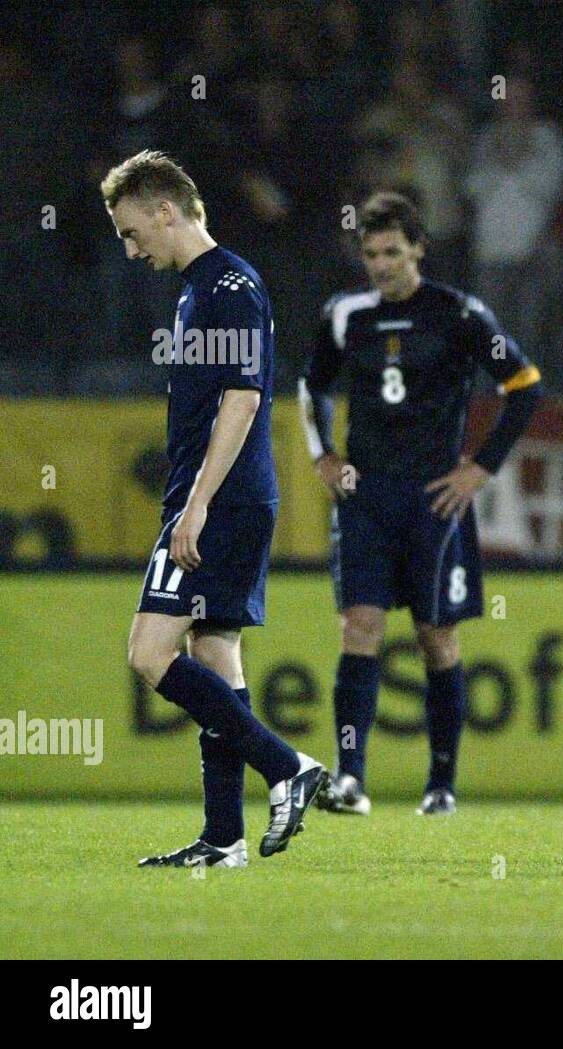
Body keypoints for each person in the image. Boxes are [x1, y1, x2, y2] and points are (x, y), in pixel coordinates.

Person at [103, 149, 326, 868]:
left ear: (166, 210)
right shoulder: (202, 288)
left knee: (149, 651)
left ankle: (286, 765)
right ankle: (223, 834)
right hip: (226, 496)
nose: (133, 251)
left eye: (134, 233)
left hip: (221, 501)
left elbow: (243, 398)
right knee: (215, 653)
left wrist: (195, 505)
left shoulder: (228, 285)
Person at [299, 191, 541, 816]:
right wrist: (323, 454)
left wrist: (481, 467)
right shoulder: (345, 314)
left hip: (436, 500)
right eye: (371, 253)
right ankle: (351, 780)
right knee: (360, 628)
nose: (380, 266)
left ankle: (442, 784)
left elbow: (523, 385)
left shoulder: (459, 314)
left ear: (418, 250)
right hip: (366, 498)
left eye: (392, 253)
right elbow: (311, 387)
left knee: (437, 638)